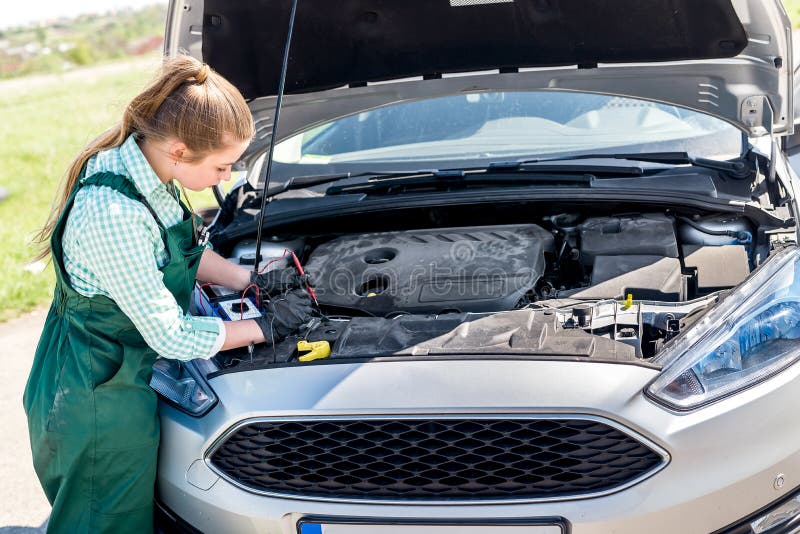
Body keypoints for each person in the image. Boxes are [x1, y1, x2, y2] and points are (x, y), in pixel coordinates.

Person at [22, 55, 314, 533]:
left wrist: (251, 279)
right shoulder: (112, 214)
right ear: (179, 151)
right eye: (222, 166)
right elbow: (172, 336)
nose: (227, 178)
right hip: (95, 399)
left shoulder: (152, 175)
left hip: (121, 376)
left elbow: (181, 250)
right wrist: (264, 328)